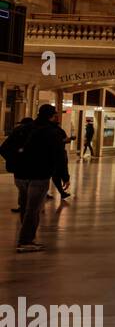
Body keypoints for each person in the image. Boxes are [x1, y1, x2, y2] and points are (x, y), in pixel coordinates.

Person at [0, 105, 70, 253]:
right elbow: (60, 156)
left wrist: (17, 160)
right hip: (39, 176)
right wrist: (64, 176)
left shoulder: (22, 129)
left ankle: (25, 238)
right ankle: (26, 241)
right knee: (33, 210)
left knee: (25, 207)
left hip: (20, 176)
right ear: (51, 116)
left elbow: (4, 148)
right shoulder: (53, 132)